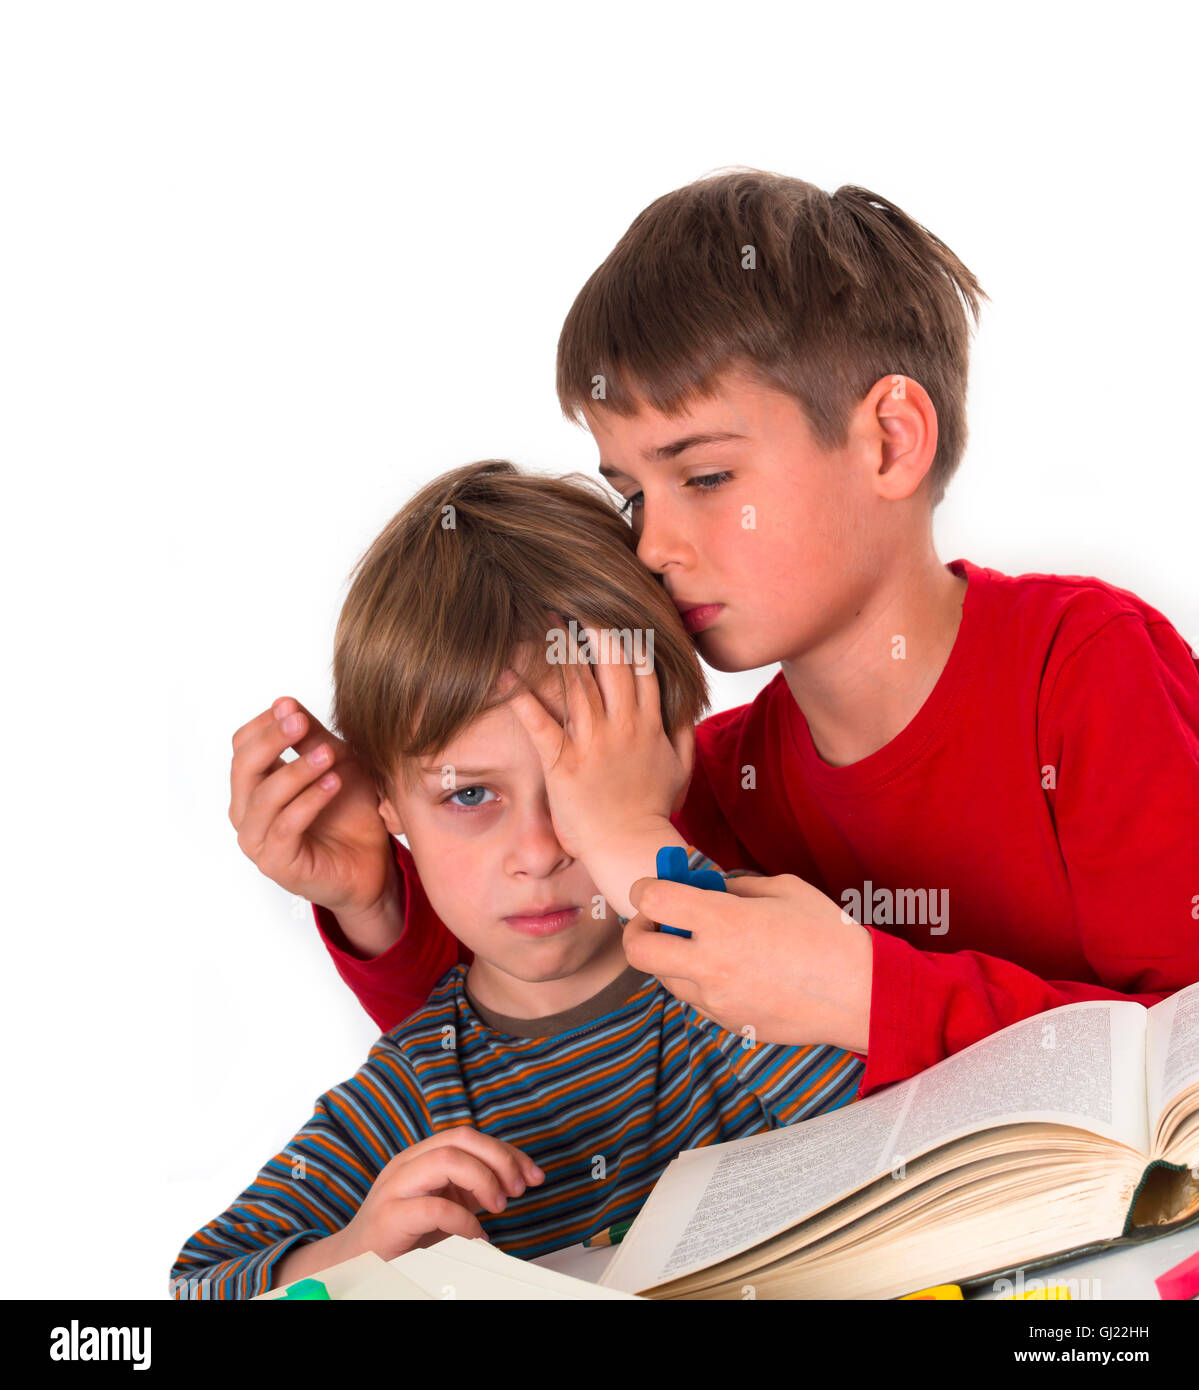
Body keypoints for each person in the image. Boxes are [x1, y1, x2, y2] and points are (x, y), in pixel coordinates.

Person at [240, 170, 1199, 1097]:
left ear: (889, 442)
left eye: (702, 479)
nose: (652, 544)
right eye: (628, 494)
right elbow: (531, 1047)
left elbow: (1181, 1057)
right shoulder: (697, 779)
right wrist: (373, 904)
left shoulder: (1084, 668)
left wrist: (869, 997)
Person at [176, 461, 862, 1298]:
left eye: (578, 784)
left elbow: (909, 1141)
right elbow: (197, 1285)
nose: (537, 851)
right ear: (389, 803)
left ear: (671, 755)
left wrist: (639, 844)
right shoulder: (412, 1092)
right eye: (469, 795)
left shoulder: (761, 960)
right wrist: (348, 1256)